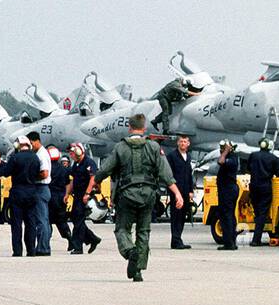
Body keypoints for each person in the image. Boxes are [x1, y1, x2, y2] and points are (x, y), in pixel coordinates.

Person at [92, 113, 182, 281]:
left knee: (122, 229)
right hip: (148, 195)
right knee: (143, 231)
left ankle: (130, 251)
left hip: (126, 195)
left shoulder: (120, 147)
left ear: (129, 127)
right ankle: (138, 270)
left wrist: (94, 184)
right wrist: (177, 193)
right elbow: (165, 173)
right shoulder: (154, 147)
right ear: (144, 127)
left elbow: (105, 170)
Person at [4, 136, 41, 257]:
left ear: (18, 145)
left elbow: (6, 172)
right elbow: (38, 174)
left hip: (18, 192)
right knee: (31, 223)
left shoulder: (15, 157)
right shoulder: (35, 157)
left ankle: (18, 251)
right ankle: (31, 250)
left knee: (16, 224)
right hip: (32, 192)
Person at [66, 142, 102, 254]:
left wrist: (87, 194)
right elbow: (73, 180)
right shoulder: (76, 164)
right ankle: (93, 239)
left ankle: (78, 247)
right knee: (77, 219)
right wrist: (67, 194)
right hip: (77, 195)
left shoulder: (88, 163)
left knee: (78, 221)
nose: (70, 155)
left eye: (72, 153)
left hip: (84, 195)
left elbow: (93, 179)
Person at [165, 135, 195, 249]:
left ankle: (178, 239)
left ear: (188, 144)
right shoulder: (172, 156)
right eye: (181, 141)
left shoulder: (188, 157)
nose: (183, 143)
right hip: (176, 190)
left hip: (186, 190)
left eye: (185, 142)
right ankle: (175, 240)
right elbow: (169, 174)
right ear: (177, 143)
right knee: (176, 215)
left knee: (183, 215)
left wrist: (191, 190)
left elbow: (189, 174)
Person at [247, 137, 279, 246]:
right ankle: (256, 240)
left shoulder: (253, 156)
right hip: (265, 187)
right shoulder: (273, 158)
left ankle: (262, 236)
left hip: (253, 186)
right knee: (262, 213)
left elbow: (248, 168)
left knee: (257, 212)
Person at [27, 131, 52, 256]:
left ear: (36, 141)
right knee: (44, 220)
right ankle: (43, 245)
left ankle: (43, 248)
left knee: (41, 220)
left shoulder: (41, 155)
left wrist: (31, 177)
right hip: (42, 188)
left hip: (41, 187)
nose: (30, 146)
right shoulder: (39, 153)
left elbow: (45, 173)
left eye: (31, 143)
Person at [214, 139, 241, 250]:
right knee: (228, 215)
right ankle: (231, 241)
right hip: (227, 189)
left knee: (227, 215)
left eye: (223, 148)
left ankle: (229, 243)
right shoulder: (230, 157)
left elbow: (220, 161)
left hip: (228, 190)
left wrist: (226, 151)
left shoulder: (232, 158)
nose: (221, 150)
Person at [47, 147, 73, 247]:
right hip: (61, 197)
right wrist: (66, 195)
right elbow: (68, 183)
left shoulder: (47, 169)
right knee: (61, 220)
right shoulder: (64, 170)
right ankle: (70, 240)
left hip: (49, 196)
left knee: (47, 221)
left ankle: (45, 241)